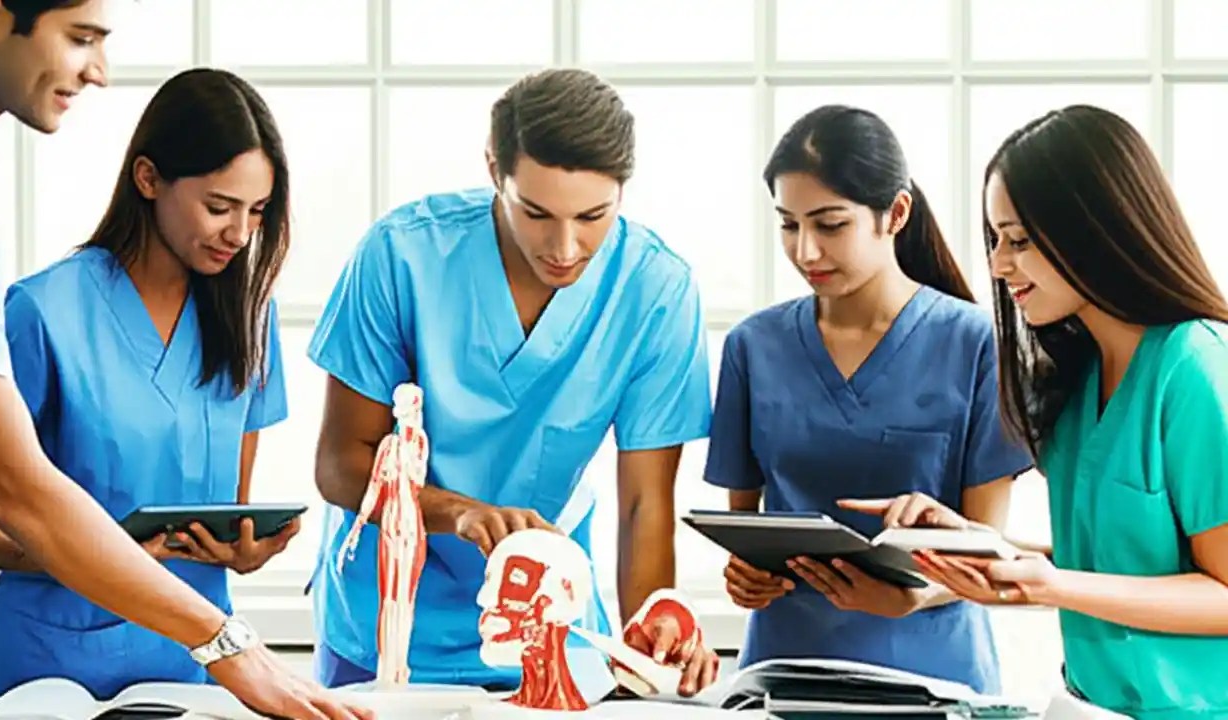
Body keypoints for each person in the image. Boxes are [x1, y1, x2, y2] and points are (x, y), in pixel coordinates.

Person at [0, 1, 371, 717]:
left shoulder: (246, 323)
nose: (240, 232)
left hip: (189, 663)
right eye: (218, 206)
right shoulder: (43, 312)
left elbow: (228, 506)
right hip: (44, 665)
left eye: (258, 211)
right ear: (148, 180)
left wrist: (241, 550)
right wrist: (102, 550)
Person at [307, 67, 720, 697]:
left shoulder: (655, 290)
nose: (565, 245)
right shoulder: (401, 256)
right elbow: (340, 465)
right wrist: (463, 514)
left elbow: (643, 504)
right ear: (494, 168)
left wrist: (653, 625)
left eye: (593, 216)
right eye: (535, 212)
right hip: (385, 625)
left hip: (549, 627)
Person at [848, 105, 1228, 719]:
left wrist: (1047, 586)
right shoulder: (1077, 384)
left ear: (1099, 228)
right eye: (996, 240)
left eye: (1019, 241)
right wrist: (985, 547)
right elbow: (1110, 567)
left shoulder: (1197, 368)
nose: (999, 265)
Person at [703, 105, 1032, 694]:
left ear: (895, 213)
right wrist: (744, 576)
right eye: (788, 224)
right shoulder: (754, 347)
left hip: (935, 678)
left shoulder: (975, 343)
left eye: (830, 225)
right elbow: (745, 528)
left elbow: (988, 549)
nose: (805, 251)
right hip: (782, 675)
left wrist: (913, 595)